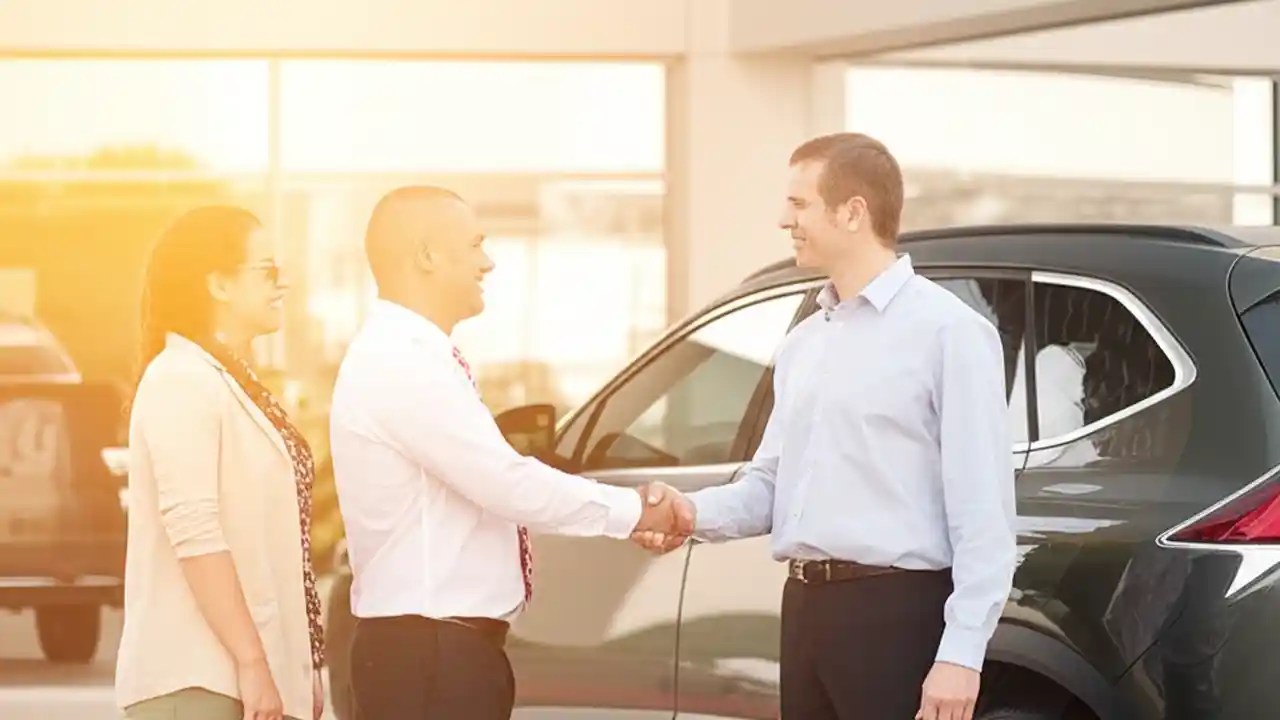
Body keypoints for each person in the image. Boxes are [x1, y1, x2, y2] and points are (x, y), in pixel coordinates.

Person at [634, 133, 1018, 720]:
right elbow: (770, 484)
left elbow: (985, 513)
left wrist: (962, 655)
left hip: (898, 618)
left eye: (799, 204)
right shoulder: (803, 343)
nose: (782, 219)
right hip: (805, 611)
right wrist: (689, 514)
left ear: (853, 212)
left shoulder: (950, 334)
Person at [329, 186, 686, 720]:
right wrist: (634, 511)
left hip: (438, 651)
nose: (487, 262)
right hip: (430, 658)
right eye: (474, 246)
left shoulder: (414, 355)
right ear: (426, 256)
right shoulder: (400, 361)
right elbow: (505, 481)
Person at [115, 206, 324, 720]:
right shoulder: (180, 380)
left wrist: (300, 671)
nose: (283, 284)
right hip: (199, 681)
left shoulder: (230, 380)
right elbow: (196, 531)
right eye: (267, 271)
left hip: (240, 682)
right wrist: (253, 662)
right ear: (219, 284)